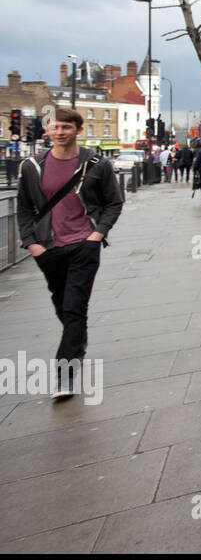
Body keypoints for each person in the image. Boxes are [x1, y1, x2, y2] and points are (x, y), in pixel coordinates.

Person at [16, 108, 123, 400]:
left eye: (66, 127)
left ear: (77, 129)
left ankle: (65, 377)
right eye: (54, 127)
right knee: (63, 307)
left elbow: (114, 202)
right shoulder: (32, 166)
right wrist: (32, 244)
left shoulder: (97, 164)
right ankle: (77, 344)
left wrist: (96, 235)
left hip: (83, 246)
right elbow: (24, 209)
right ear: (47, 131)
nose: (60, 132)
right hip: (48, 248)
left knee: (75, 307)